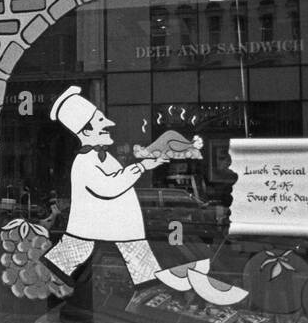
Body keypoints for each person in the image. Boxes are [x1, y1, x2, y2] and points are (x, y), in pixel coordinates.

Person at [41, 86, 194, 291]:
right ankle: (49, 283)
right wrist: (141, 167)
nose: (110, 123)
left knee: (79, 252)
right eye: (101, 122)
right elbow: (108, 187)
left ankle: (151, 291)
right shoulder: (85, 161)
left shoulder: (101, 155)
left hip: (112, 223)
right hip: (104, 222)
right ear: (87, 131)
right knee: (76, 252)